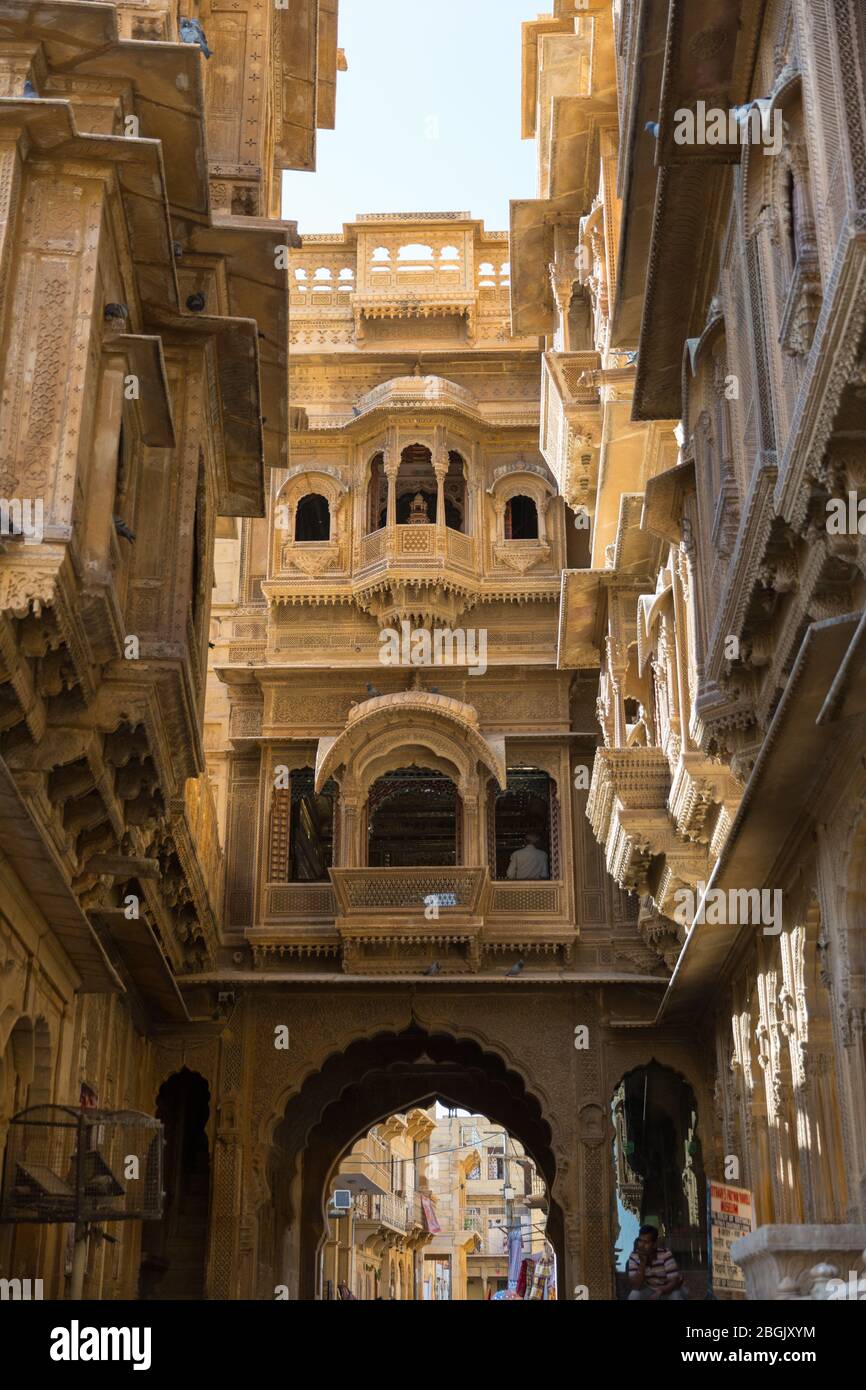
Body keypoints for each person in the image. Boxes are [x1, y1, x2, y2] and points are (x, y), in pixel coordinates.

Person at [626, 1226, 686, 1300]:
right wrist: (642, 1263)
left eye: (646, 1242)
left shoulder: (665, 1254)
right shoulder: (634, 1256)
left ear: (654, 1244)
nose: (641, 1245)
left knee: (676, 1296)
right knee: (634, 1295)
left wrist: (661, 1291)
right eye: (640, 1241)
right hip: (650, 1289)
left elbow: (674, 1282)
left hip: (670, 1289)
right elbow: (636, 1286)